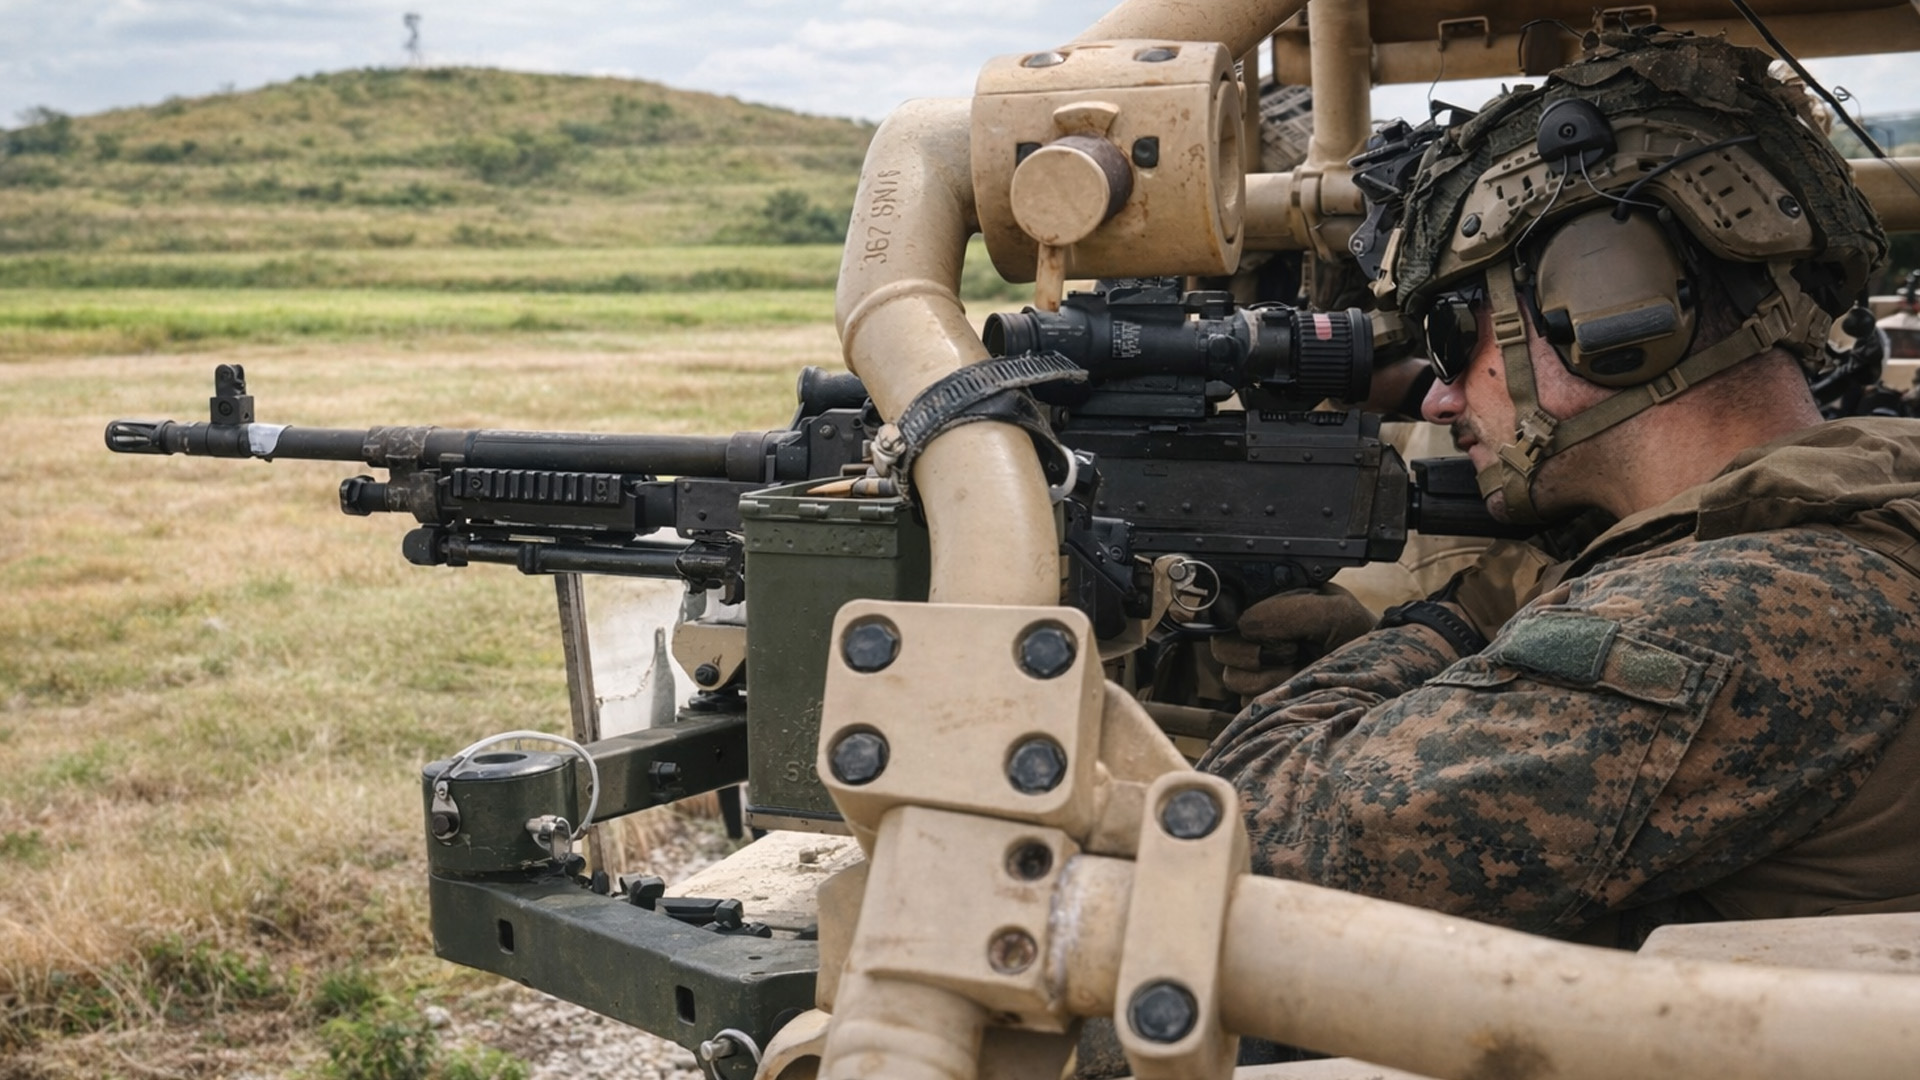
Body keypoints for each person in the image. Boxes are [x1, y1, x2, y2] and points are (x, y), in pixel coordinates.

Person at [1197, 27, 1920, 946]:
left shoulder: (1745, 608)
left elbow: (1244, 831)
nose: (1442, 390)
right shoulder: (1854, 508)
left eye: (1457, 333)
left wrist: (1447, 624)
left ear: (1610, 305)